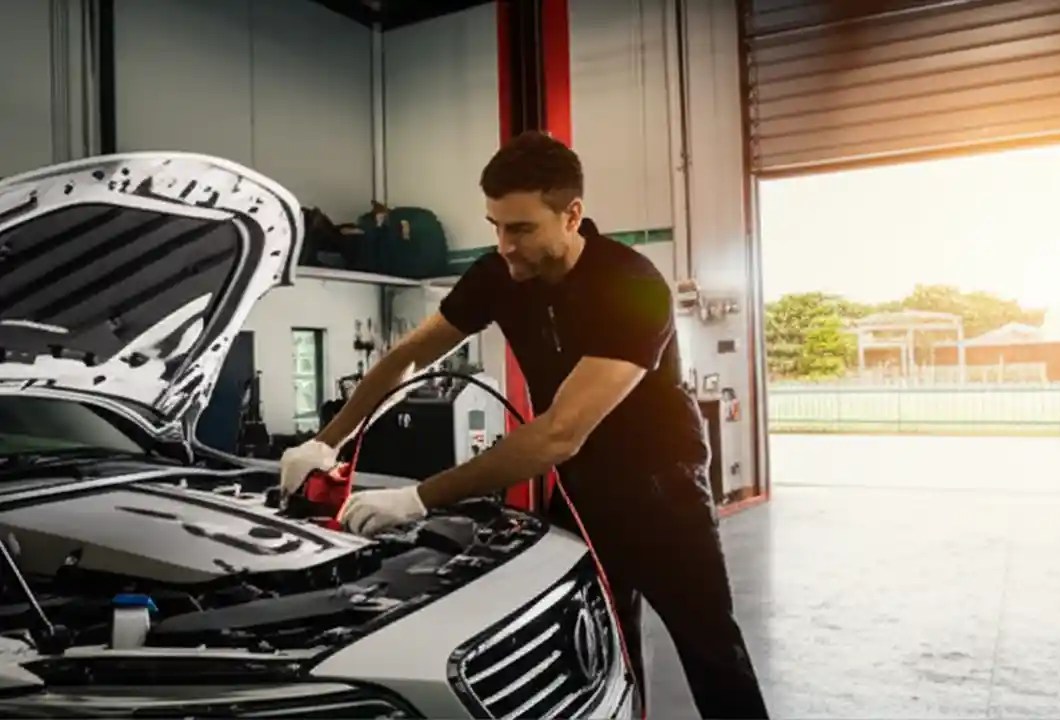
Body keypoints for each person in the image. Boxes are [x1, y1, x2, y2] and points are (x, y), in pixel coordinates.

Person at [277, 130, 769, 719]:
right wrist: (327, 439)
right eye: (495, 226)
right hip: (581, 492)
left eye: (521, 228)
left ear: (572, 216)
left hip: (662, 495)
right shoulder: (499, 276)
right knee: (597, 650)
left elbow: (560, 431)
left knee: (710, 650)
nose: (504, 245)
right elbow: (410, 353)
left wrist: (417, 497)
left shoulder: (634, 288)